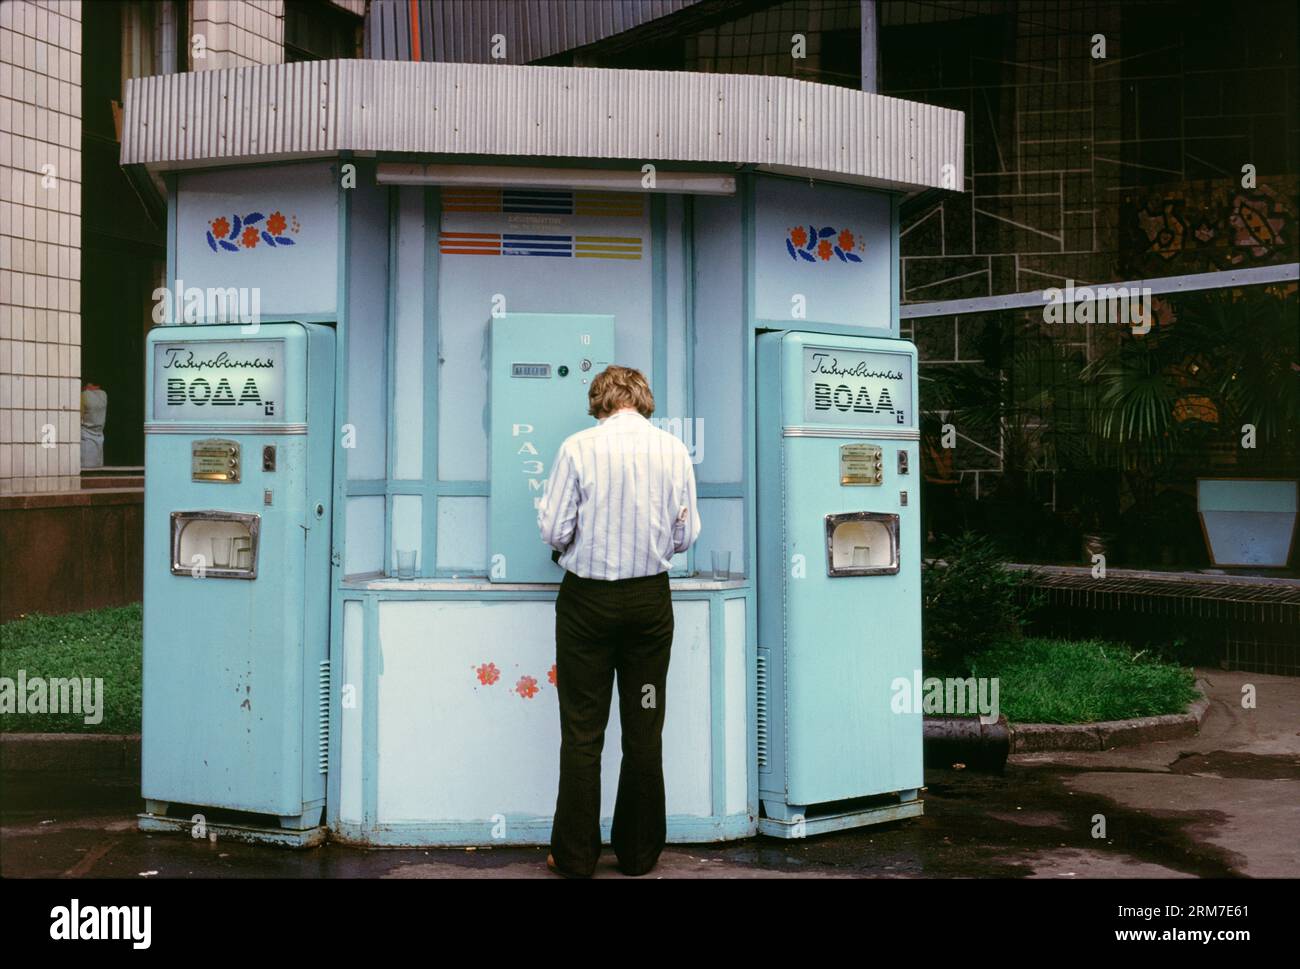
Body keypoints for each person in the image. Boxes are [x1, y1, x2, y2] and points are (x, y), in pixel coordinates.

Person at [536, 364, 701, 877]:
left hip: (587, 606)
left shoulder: (577, 448)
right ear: (643, 399)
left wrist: (574, 549)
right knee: (644, 727)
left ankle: (575, 856)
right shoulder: (674, 450)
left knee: (583, 731)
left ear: (600, 400)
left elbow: (554, 528)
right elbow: (686, 533)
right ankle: (638, 853)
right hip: (649, 607)